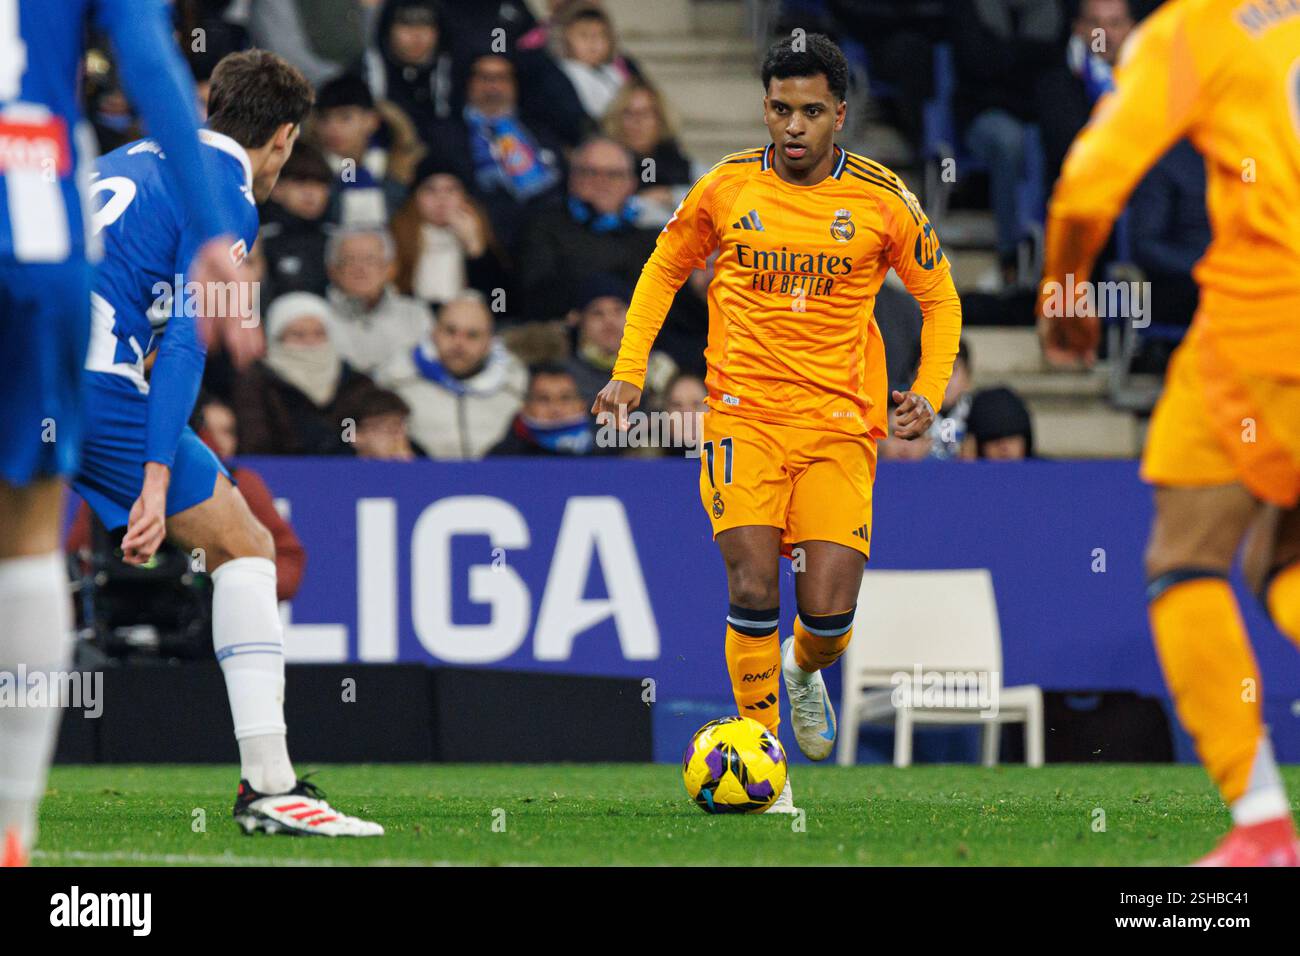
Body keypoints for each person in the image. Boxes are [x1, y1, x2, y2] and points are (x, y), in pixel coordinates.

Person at [592, 35, 961, 811]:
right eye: (780, 109)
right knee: (752, 581)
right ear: (765, 108)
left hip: (838, 428)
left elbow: (940, 297)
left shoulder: (882, 197)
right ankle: (772, 777)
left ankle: (800, 670)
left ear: (840, 116)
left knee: (828, 614)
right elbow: (664, 266)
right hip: (741, 417)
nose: (793, 126)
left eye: (811, 111)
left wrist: (927, 389)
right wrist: (629, 370)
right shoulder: (725, 187)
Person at [72, 51, 381, 837]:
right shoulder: (229, 197)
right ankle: (270, 787)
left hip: (27, 362)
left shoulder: (134, 156)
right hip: (92, 386)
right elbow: (185, 345)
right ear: (282, 139)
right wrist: (150, 479)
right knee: (245, 547)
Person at [1037, 0, 1300, 865]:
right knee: (1279, 559)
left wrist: (1066, 287)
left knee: (1186, 558)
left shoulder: (1201, 28)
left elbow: (1091, 178)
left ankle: (1263, 826)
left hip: (1270, 328)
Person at [0, 0, 244, 868]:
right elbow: (149, 58)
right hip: (34, 218)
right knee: (25, 537)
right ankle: (11, 827)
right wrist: (214, 224)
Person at [516, 137, 658, 319]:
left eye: (614, 174)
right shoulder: (543, 225)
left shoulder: (650, 233)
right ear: (572, 178)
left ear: (631, 184)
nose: (602, 182)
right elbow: (537, 296)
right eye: (590, 172)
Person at [375, 292, 526, 459]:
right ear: (433, 333)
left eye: (472, 335)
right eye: (450, 331)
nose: (459, 343)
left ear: (489, 342)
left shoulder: (518, 387)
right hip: (421, 481)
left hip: (499, 483)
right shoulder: (395, 382)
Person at [235, 292, 387, 455]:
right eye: (298, 334)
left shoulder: (356, 383)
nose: (310, 342)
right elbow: (255, 441)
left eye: (319, 333)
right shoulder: (256, 381)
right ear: (277, 337)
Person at [390, 161, 510, 309]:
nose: (441, 199)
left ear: (464, 197)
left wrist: (475, 248)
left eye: (451, 190)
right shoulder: (397, 236)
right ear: (415, 198)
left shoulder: (486, 235)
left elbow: (501, 305)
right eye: (430, 190)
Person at [326, 225, 434, 376]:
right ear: (333, 270)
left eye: (370, 260)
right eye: (350, 259)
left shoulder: (416, 315)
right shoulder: (317, 318)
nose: (360, 268)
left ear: (390, 268)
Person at [260, 143, 335, 298]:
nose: (310, 192)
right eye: (299, 182)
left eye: (319, 183)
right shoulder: (258, 242)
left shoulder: (338, 240)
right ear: (275, 189)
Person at [490, 364, 597, 456]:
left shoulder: (606, 450)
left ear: (582, 405)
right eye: (543, 399)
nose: (556, 409)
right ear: (526, 407)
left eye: (565, 398)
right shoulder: (503, 457)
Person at [962, 386, 1033, 459]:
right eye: (994, 438)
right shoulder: (960, 467)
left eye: (1011, 437)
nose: (1004, 447)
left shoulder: (1043, 468)